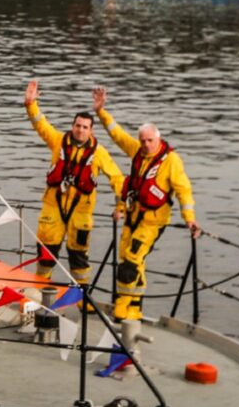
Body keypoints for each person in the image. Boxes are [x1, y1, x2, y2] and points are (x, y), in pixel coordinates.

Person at [92, 86, 199, 350]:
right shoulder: (138, 152)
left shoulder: (170, 161)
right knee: (126, 262)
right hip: (132, 216)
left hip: (153, 221)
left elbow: (184, 190)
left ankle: (124, 310)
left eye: (149, 140)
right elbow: (117, 135)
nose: (145, 144)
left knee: (132, 261)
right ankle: (132, 310)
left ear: (158, 139)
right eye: (142, 140)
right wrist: (101, 112)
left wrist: (190, 218)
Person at [24, 81, 121, 288]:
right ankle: (40, 296)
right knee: (45, 257)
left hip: (81, 213)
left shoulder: (99, 153)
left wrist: (120, 207)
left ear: (91, 131)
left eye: (85, 127)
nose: (80, 130)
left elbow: (117, 179)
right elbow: (40, 124)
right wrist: (30, 103)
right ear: (72, 126)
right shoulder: (58, 141)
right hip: (53, 209)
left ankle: (83, 300)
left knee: (79, 260)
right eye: (77, 126)